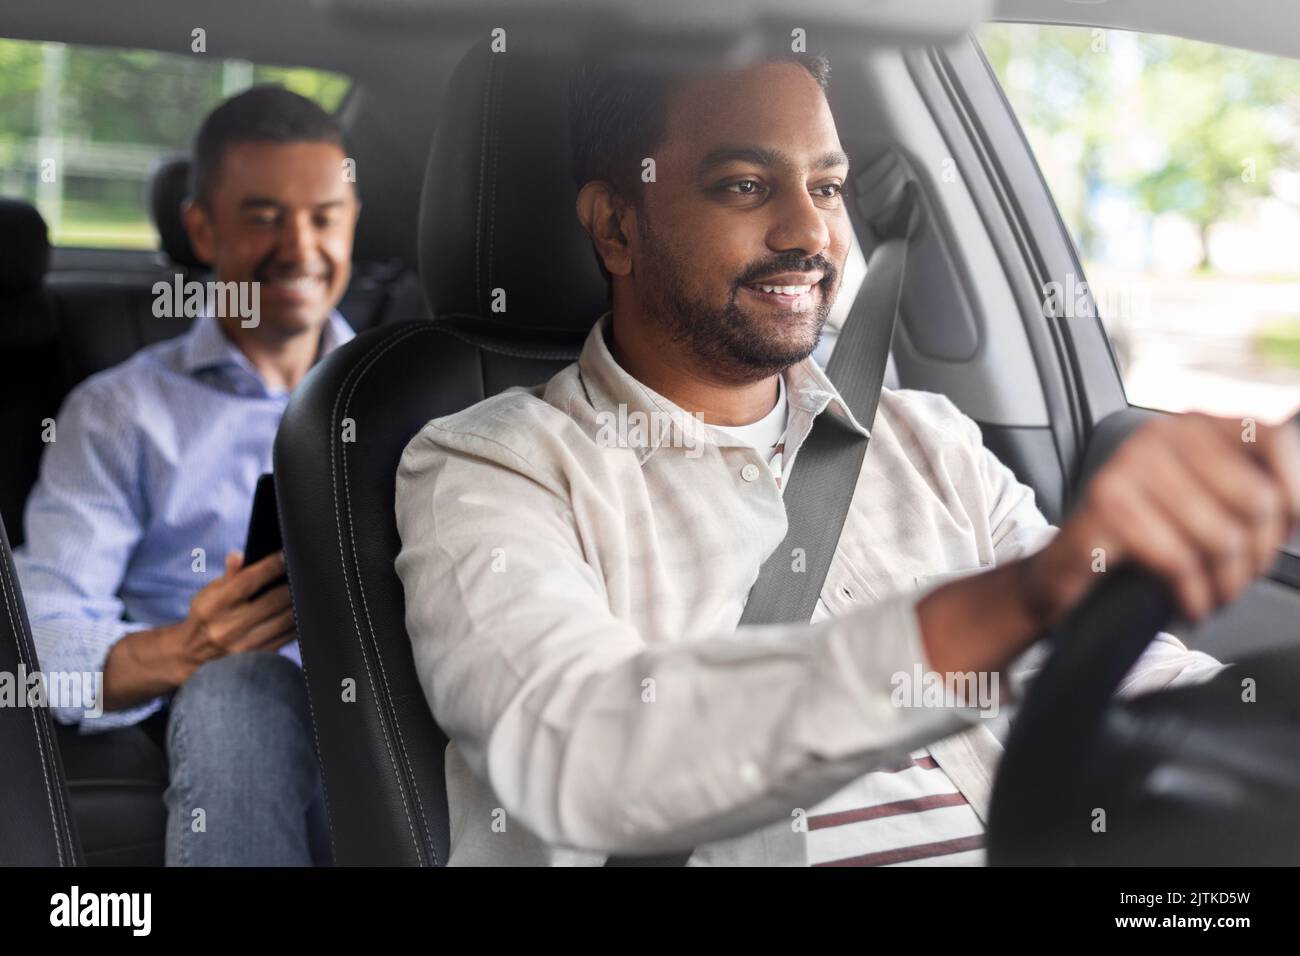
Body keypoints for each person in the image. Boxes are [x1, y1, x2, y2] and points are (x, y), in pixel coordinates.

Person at [393, 55, 1300, 865]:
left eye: (828, 189)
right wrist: (1017, 602)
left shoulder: (926, 441)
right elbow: (581, 755)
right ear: (616, 228)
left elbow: (1130, 675)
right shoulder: (489, 470)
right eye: (747, 186)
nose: (810, 234)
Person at [15, 85, 362, 866]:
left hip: (382, 706)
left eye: (323, 217)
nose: (301, 248)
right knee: (243, 686)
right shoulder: (120, 412)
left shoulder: (406, 397)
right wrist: (187, 647)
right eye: (265, 216)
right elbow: (39, 635)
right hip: (221, 716)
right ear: (202, 227)